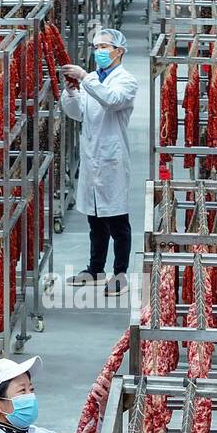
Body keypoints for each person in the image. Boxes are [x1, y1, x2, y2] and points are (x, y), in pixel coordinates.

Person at [59, 28, 138, 298]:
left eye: (104, 46)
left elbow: (111, 100)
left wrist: (84, 80)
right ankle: (95, 270)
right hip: (92, 161)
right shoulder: (92, 79)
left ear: (119, 51)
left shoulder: (126, 81)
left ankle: (120, 273)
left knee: (117, 222)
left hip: (112, 161)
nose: (99, 51)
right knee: (95, 221)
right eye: (96, 47)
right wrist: (71, 93)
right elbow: (78, 113)